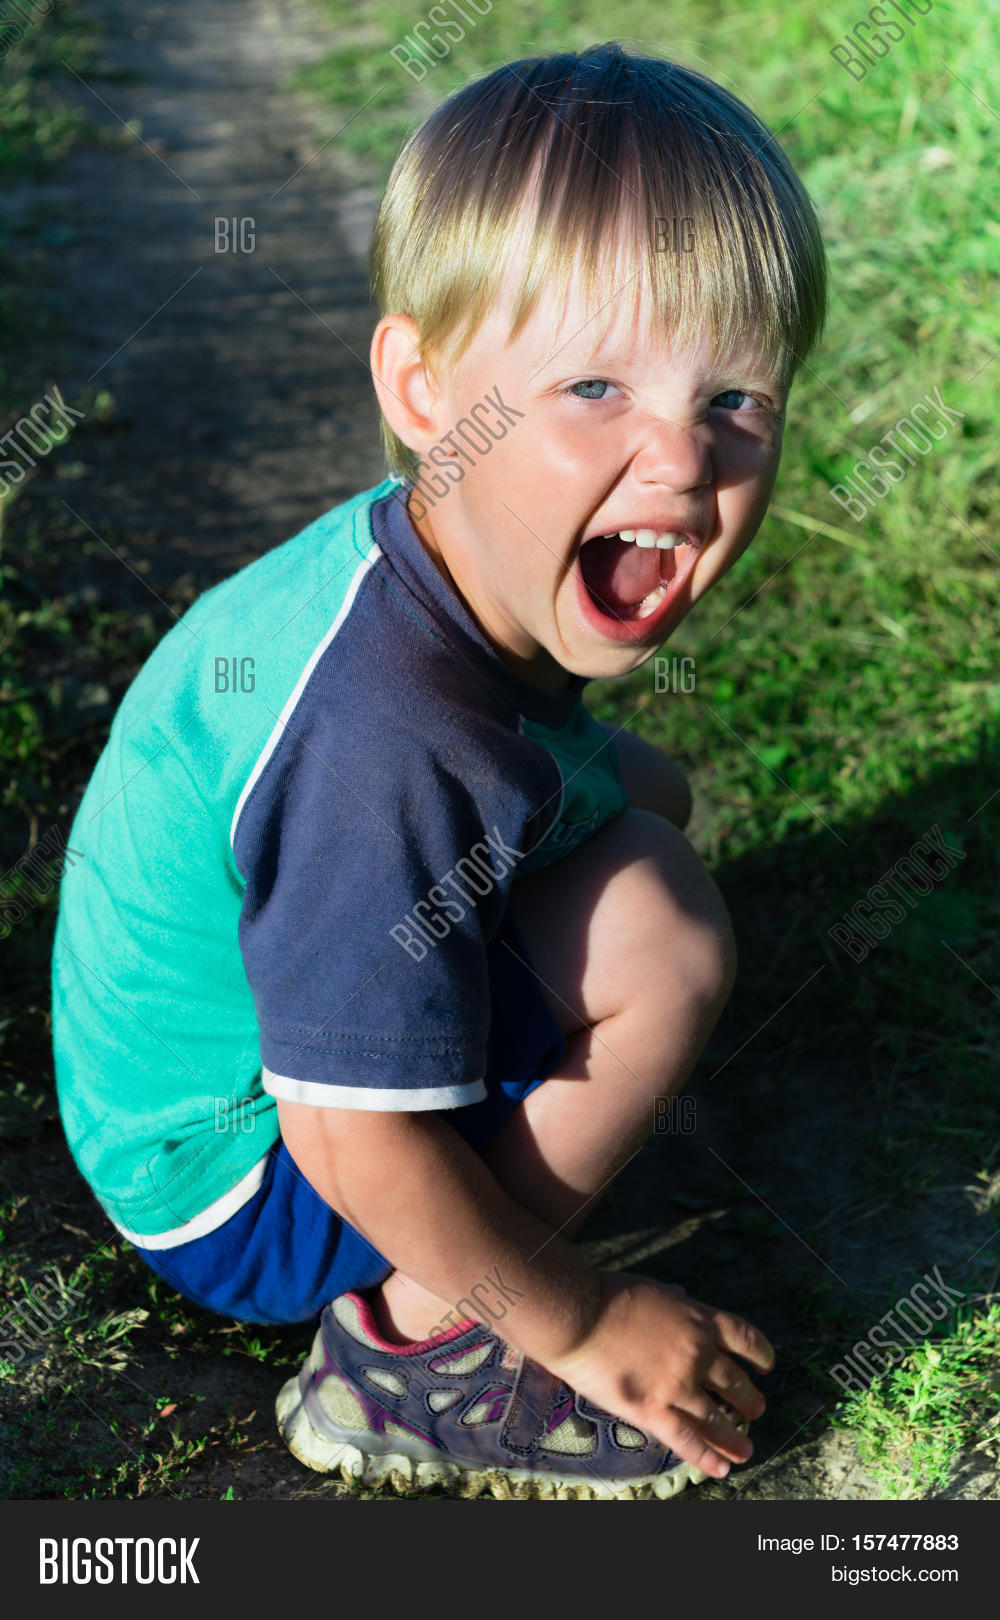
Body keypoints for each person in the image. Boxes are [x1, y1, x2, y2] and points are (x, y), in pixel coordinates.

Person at [52, 41, 826, 1500]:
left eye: (736, 397)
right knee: (657, 933)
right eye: (594, 384)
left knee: (643, 801)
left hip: (229, 1081)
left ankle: (479, 1166)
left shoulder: (437, 558)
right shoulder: (378, 738)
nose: (681, 461)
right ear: (424, 389)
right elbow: (344, 1135)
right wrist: (583, 1321)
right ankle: (415, 1355)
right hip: (243, 1178)